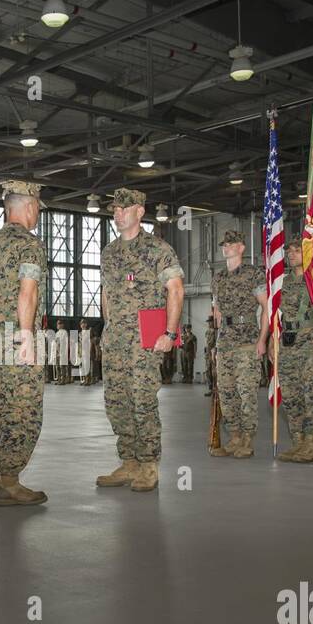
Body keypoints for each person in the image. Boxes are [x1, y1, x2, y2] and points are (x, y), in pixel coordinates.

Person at [95, 187, 184, 492]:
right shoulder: (109, 252)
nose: (118, 214)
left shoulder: (158, 249)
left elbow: (176, 290)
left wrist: (170, 334)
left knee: (142, 401)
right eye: (115, 209)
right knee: (116, 402)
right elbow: (107, 294)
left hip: (146, 340)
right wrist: (107, 330)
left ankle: (148, 464)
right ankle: (128, 461)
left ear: (140, 212)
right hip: (116, 340)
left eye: (124, 208)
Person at [0, 180, 49, 506]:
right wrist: (27, 335)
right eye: (37, 210)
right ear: (29, 207)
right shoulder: (29, 245)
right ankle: (10, 481)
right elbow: (27, 291)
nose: (37, 216)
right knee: (24, 411)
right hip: (17, 341)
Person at [210, 230, 269, 458]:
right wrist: (216, 344)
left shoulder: (253, 274)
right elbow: (217, 314)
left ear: (242, 248)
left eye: (231, 243)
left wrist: (262, 339)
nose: (226, 247)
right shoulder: (218, 278)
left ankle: (247, 439)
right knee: (226, 392)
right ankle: (234, 436)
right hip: (225, 341)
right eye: (224, 244)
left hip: (247, 340)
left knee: (247, 393)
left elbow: (266, 308)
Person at [276, 238, 313, 463]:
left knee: (311, 394)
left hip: (308, 342)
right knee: (291, 395)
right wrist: (271, 341)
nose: (292, 254)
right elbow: (277, 315)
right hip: (287, 342)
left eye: (297, 250)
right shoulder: (283, 282)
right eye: (289, 251)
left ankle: (310, 444)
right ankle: (297, 441)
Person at [203, 315, 217, 396]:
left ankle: (216, 389)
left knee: (214, 371)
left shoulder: (216, 331)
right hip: (208, 353)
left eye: (210, 322)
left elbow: (215, 343)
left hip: (214, 353)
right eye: (208, 322)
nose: (209, 323)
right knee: (208, 371)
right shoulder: (207, 331)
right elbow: (206, 342)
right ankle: (211, 388)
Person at [53, 319, 70, 385]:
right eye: (57, 323)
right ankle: (59, 379)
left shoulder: (64, 332)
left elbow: (64, 342)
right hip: (57, 351)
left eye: (59, 323)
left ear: (62, 325)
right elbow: (55, 342)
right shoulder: (57, 333)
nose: (58, 325)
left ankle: (63, 380)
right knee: (57, 366)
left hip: (62, 351)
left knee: (62, 366)